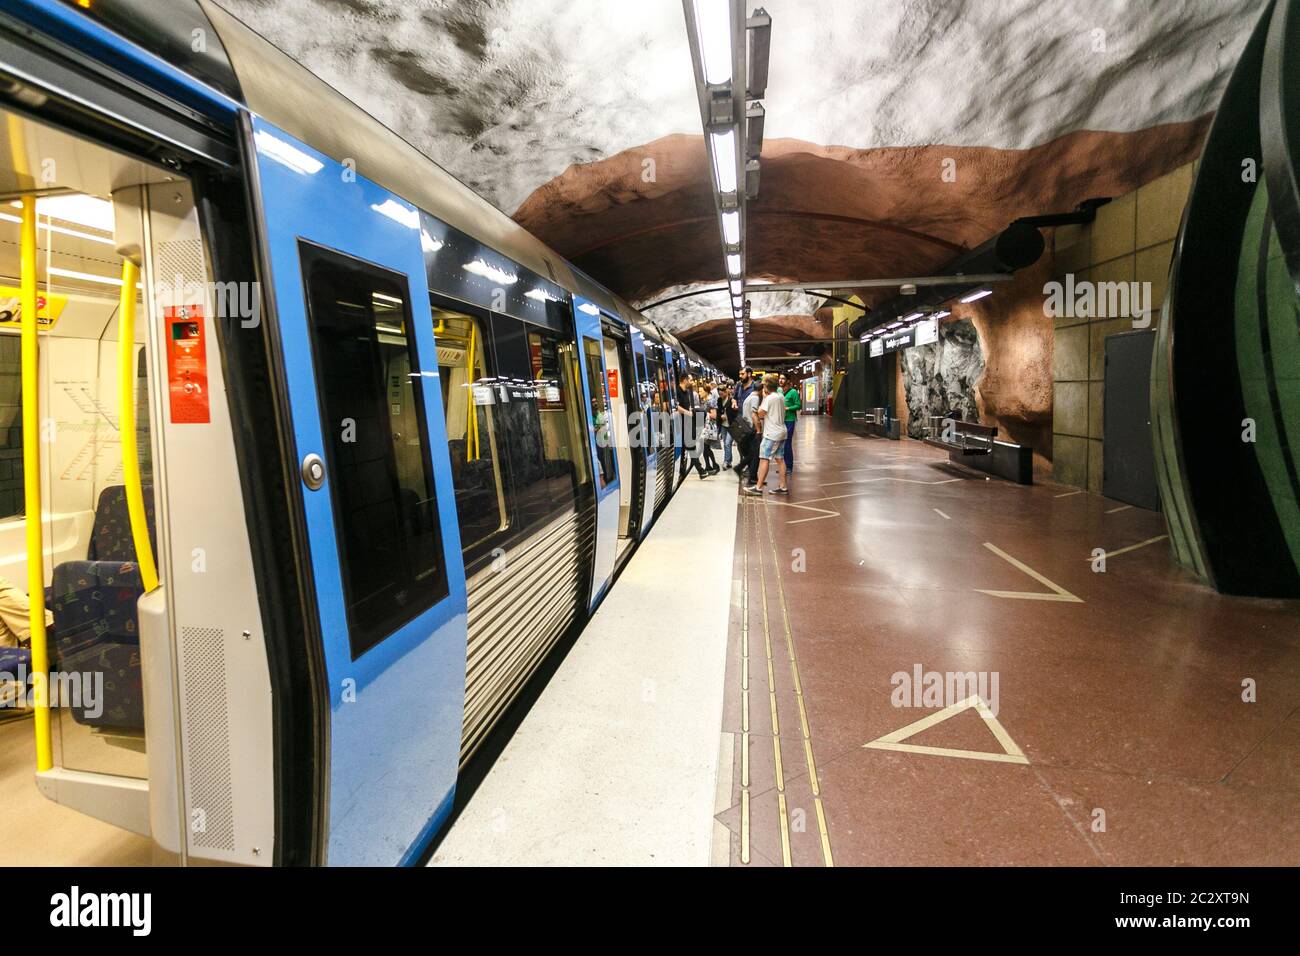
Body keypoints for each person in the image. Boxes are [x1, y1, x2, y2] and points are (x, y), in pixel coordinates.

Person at [746, 377, 789, 495]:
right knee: (780, 460)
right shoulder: (780, 396)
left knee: (764, 459)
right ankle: (783, 486)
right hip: (782, 431)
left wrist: (764, 399)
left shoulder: (769, 398)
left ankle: (758, 488)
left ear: (766, 387)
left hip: (771, 434)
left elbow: (760, 414)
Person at [740, 376, 764, 484]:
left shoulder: (749, 396)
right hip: (752, 429)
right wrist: (759, 430)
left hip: (746, 428)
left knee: (752, 453)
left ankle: (751, 475)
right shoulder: (755, 398)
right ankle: (753, 478)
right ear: (761, 390)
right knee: (756, 455)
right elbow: (754, 415)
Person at [696, 383, 720, 474]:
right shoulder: (704, 401)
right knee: (705, 447)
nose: (699, 393)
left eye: (701, 391)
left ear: (706, 391)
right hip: (705, 427)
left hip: (709, 427)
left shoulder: (711, 401)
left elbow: (714, 415)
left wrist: (702, 413)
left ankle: (714, 465)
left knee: (706, 447)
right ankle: (709, 466)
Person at [780, 373, 800, 475]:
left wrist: (788, 408)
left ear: (788, 380)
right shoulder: (779, 391)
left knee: (787, 444)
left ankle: (789, 467)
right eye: (780, 379)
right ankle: (783, 466)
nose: (780, 380)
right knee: (781, 444)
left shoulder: (793, 392)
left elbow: (798, 405)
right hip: (780, 421)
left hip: (789, 420)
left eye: (783, 379)